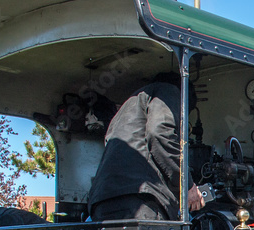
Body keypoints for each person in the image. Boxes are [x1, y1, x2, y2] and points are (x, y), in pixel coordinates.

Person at [87, 79, 204, 221]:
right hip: (141, 197)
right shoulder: (169, 90)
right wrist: (187, 185)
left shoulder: (127, 107)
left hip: (101, 200)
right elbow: (159, 133)